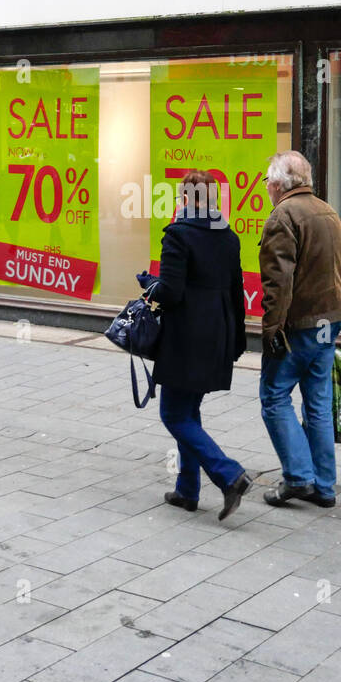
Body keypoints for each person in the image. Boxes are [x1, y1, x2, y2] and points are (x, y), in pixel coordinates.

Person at [143, 171, 252, 521]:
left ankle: (229, 474)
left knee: (173, 414)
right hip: (217, 332)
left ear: (187, 199)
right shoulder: (228, 235)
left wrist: (149, 285)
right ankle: (187, 490)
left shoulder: (178, 235)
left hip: (187, 337)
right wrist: (237, 339)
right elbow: (238, 292)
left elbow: (171, 293)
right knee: (189, 411)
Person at [257, 151, 341, 508]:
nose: (266, 189)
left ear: (277, 184)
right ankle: (324, 486)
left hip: (299, 325)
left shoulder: (284, 215)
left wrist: (271, 330)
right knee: (318, 404)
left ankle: (298, 477)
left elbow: (278, 283)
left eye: (267, 183)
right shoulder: (328, 211)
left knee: (275, 398)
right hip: (329, 319)